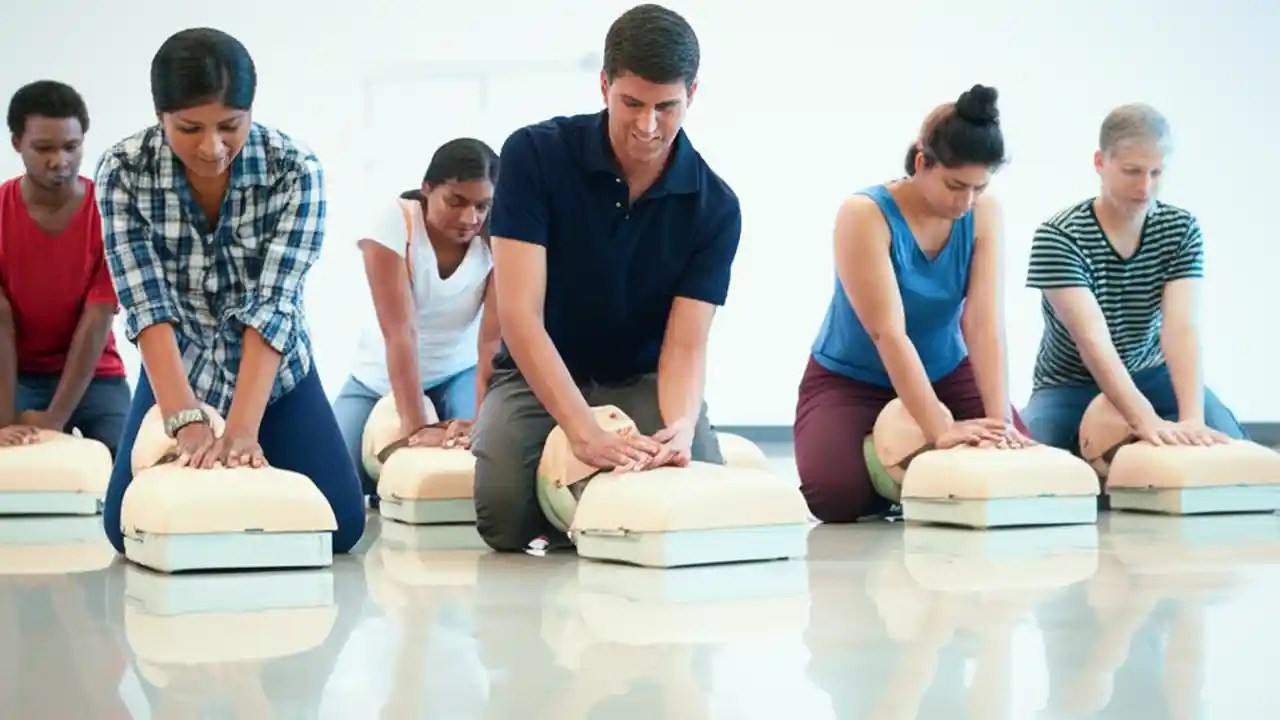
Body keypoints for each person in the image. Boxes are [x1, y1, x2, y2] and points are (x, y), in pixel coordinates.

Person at [472, 3, 742, 551]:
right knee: (504, 522)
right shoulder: (533, 155)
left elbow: (686, 346)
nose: (648, 126)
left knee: (693, 504)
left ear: (693, 94)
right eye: (632, 103)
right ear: (603, 85)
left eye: (667, 107)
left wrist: (682, 424)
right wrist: (582, 430)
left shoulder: (716, 206)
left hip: (638, 378)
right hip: (534, 371)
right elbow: (520, 317)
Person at [94, 28, 365, 554]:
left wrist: (242, 431)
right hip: (178, 367)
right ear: (160, 117)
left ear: (250, 113)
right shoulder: (123, 171)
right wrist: (186, 422)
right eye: (189, 128)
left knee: (342, 525)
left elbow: (274, 304)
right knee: (122, 531)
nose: (212, 147)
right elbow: (146, 304)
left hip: (275, 375)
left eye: (229, 127)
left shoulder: (294, 170)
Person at [794, 85, 1033, 524]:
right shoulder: (863, 214)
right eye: (955, 185)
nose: (965, 202)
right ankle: (888, 462)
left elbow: (982, 324)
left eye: (978, 188)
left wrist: (1000, 423)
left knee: (1015, 463)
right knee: (834, 498)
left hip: (944, 369)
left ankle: (919, 475)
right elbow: (889, 332)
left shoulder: (984, 214)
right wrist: (938, 430)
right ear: (922, 162)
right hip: (851, 378)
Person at [1021, 103, 1245, 451]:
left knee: (1228, 446)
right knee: (1033, 460)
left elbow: (1180, 327)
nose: (1144, 188)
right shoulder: (1059, 235)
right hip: (1070, 383)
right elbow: (1092, 341)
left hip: (1152, 375)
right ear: (1100, 163)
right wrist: (1145, 419)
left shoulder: (1180, 228)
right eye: (1132, 171)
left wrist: (1192, 420)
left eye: (1156, 173)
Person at [333, 138, 501, 500]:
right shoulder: (394, 222)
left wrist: (485, 422)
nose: (469, 218)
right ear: (427, 189)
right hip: (377, 379)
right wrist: (415, 428)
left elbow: (491, 341)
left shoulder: (498, 236)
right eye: (455, 201)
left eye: (482, 206)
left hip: (457, 373)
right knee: (337, 480)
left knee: (475, 464)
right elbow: (401, 334)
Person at [0, 81, 131, 456]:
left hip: (96, 377)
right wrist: (4, 418)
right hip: (17, 375)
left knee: (128, 458)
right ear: (16, 143)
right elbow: (0, 323)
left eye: (71, 147)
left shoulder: (110, 214)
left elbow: (97, 319)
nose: (60, 161)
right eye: (44, 149)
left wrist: (55, 418)